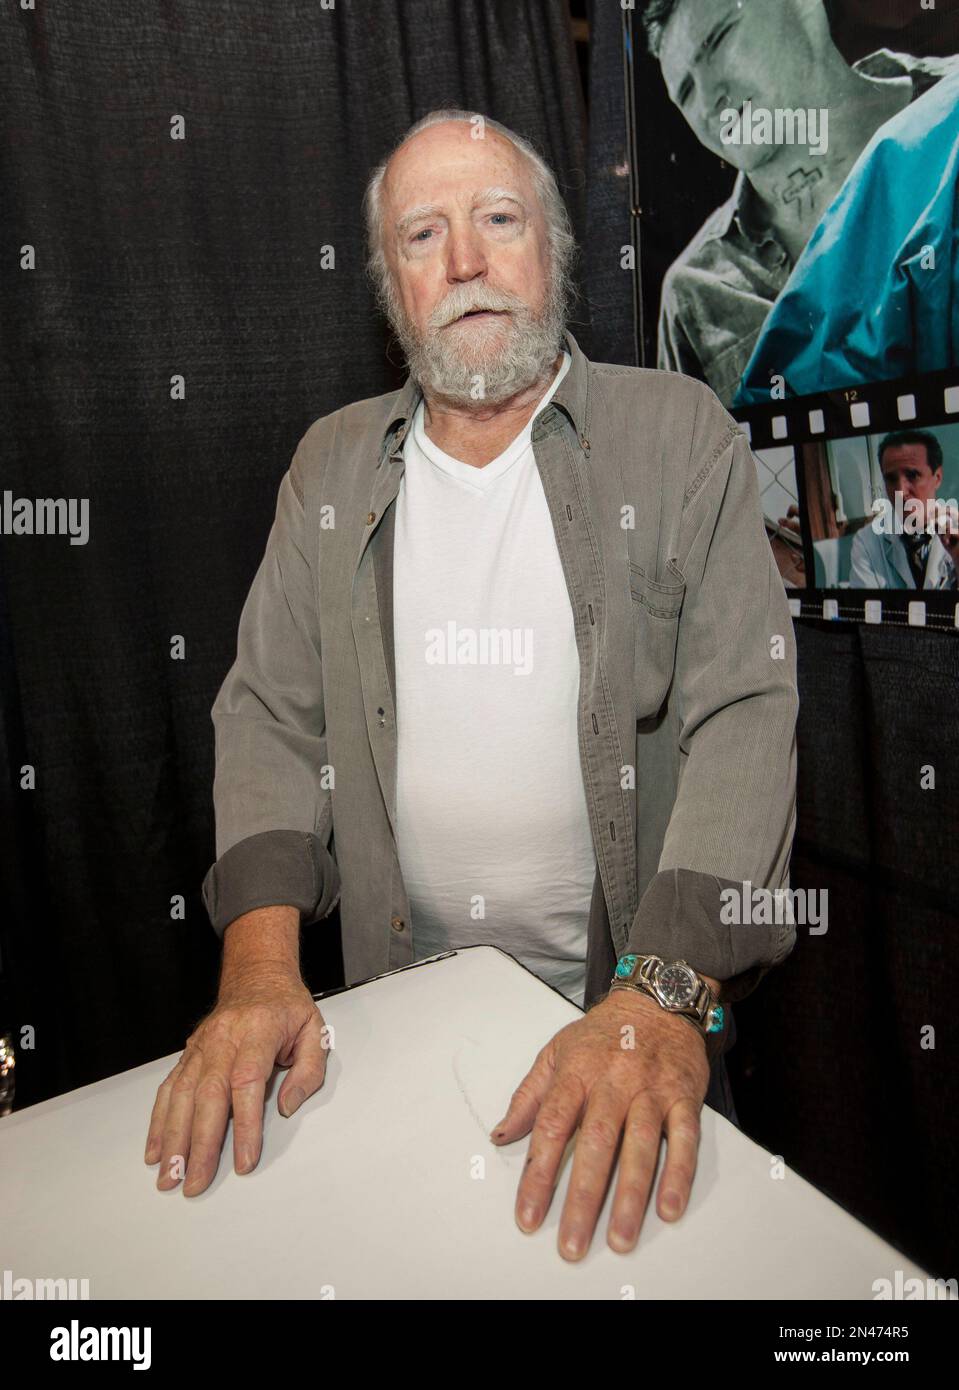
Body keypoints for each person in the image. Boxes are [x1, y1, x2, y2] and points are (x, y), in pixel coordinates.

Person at [144, 110, 799, 1262]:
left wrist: (657, 996)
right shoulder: (328, 466)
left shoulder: (679, 434)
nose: (464, 262)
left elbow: (742, 710)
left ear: (551, 245)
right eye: (421, 235)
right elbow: (267, 717)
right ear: (390, 289)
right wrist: (255, 970)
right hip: (388, 1031)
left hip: (633, 1013)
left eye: (498, 221)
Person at [643, 0, 959, 406]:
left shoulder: (951, 116)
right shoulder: (694, 293)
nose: (709, 99)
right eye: (685, 91)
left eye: (719, 38)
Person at [735, 65, 959, 405]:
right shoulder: (918, 152)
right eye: (686, 90)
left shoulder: (919, 148)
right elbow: (800, 390)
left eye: (717, 37)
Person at [849, 431, 959, 589]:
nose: (900, 491)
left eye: (913, 475)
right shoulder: (867, 542)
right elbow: (866, 609)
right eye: (891, 479)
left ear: (937, 478)